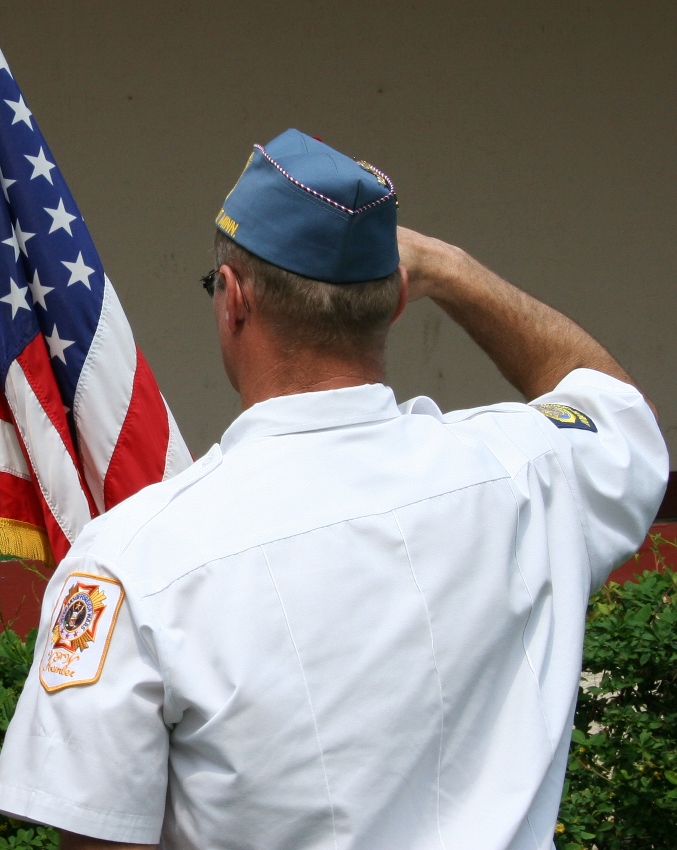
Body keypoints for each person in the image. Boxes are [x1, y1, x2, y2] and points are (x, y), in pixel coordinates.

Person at [0, 129, 667, 850]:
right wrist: (450, 266)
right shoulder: (524, 470)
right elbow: (610, 406)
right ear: (399, 297)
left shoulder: (137, 561)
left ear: (232, 300)